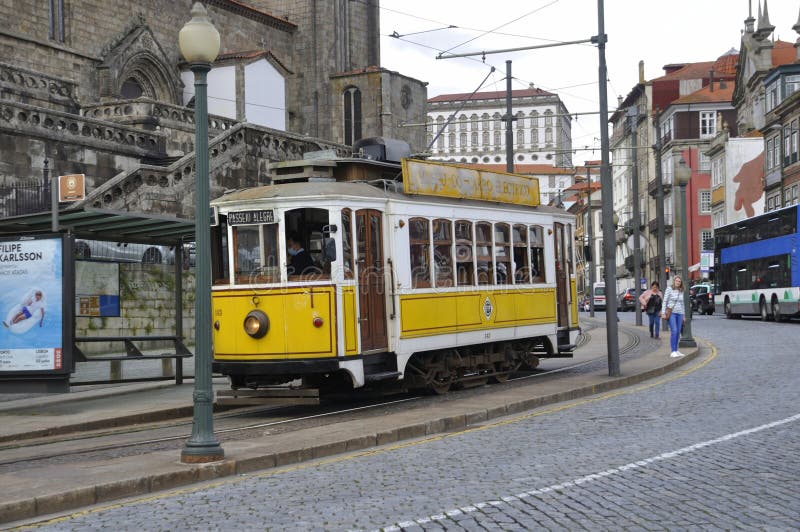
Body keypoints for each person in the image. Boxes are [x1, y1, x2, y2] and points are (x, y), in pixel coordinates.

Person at [662, 276, 686, 358]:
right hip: (671, 312)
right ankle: (673, 351)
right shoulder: (669, 289)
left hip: (680, 313)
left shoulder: (681, 290)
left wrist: (683, 315)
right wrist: (663, 313)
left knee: (678, 332)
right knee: (674, 331)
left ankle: (676, 350)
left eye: (679, 281)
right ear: (674, 281)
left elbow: (682, 304)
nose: (678, 282)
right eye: (677, 281)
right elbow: (665, 301)